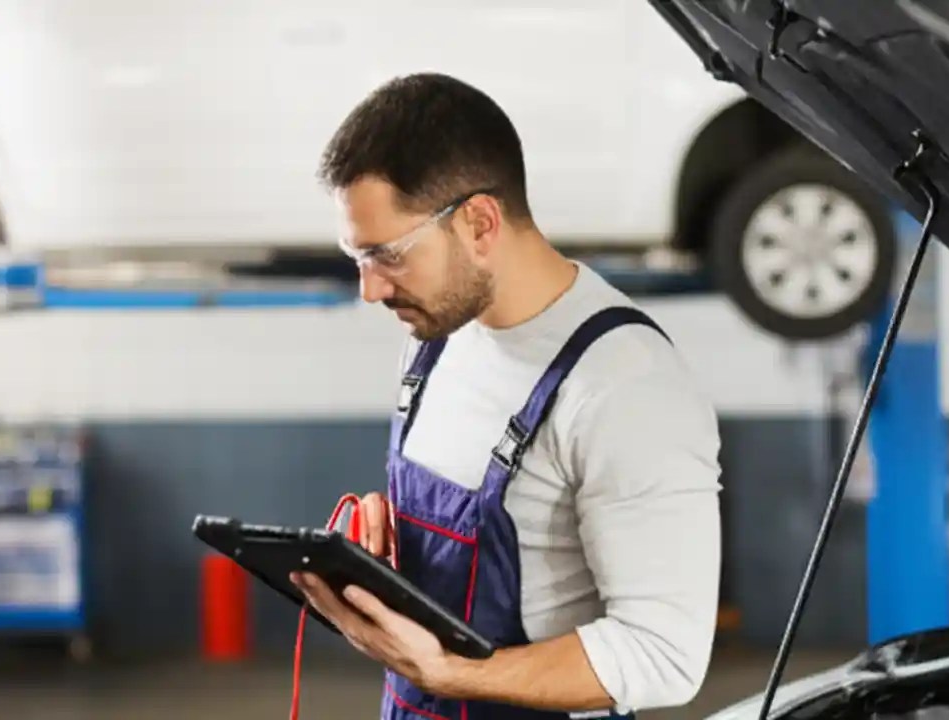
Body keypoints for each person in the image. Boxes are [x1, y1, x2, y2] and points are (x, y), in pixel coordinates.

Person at [289, 72, 723, 719]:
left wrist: (451, 671)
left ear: (480, 223)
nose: (370, 290)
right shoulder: (437, 334)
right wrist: (387, 553)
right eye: (358, 258)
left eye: (387, 255)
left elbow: (666, 656)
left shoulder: (626, 386)